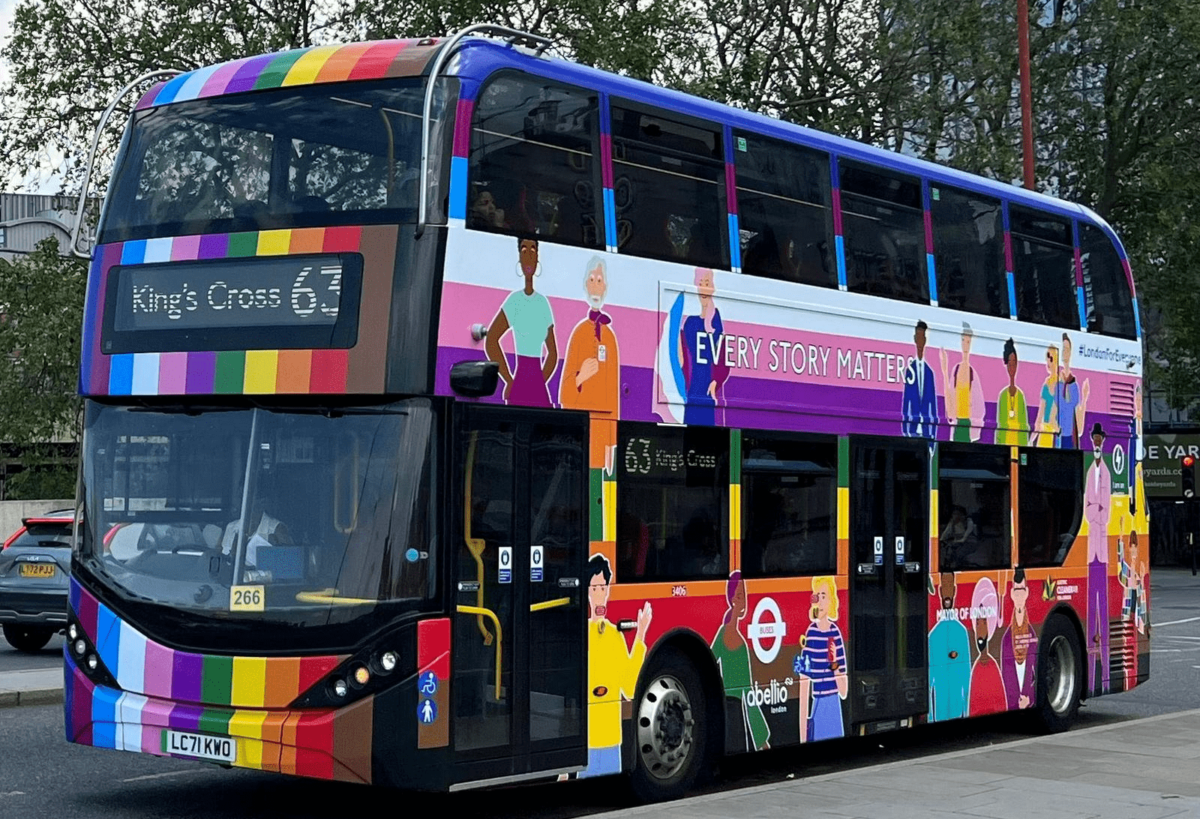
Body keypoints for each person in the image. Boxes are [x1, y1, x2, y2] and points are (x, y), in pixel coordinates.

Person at [580, 554, 651, 778]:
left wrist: (640, 635)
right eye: (593, 588)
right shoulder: (580, 636)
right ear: (586, 592)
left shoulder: (615, 635)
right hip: (587, 743)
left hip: (612, 743)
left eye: (603, 588)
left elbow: (629, 688)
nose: (599, 595)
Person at [485, 237, 559, 407]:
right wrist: (508, 379)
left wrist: (540, 381)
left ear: (538, 257)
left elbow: (553, 353)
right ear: (519, 257)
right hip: (521, 378)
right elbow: (491, 340)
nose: (529, 256)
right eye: (524, 251)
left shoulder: (542, 303)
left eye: (533, 251)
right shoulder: (515, 301)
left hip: (537, 382)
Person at [711, 572, 770, 751]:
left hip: (730, 707)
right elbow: (748, 691)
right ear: (732, 600)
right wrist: (761, 740)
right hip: (734, 709)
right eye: (739, 596)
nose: (743, 600)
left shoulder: (726, 633)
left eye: (744, 595)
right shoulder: (731, 636)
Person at [559, 257, 620, 414]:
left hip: (605, 419)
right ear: (586, 285)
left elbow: (614, 395)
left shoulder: (610, 337)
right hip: (581, 418)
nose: (595, 287)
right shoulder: (579, 333)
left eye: (599, 281)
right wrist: (580, 377)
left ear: (605, 287)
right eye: (591, 280)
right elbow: (564, 394)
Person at [797, 576, 847, 741]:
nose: (819, 601)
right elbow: (804, 683)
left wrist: (834, 664)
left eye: (824, 596)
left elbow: (844, 691)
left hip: (834, 707)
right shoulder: (811, 633)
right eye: (817, 596)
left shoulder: (835, 633)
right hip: (818, 705)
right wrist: (802, 737)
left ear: (832, 600)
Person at [679, 268, 729, 425]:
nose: (703, 288)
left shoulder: (716, 321)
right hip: (692, 390)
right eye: (700, 283)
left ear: (712, 287)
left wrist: (715, 382)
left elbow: (723, 359)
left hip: (707, 392)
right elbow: (682, 358)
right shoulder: (690, 323)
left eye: (707, 283)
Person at [1084, 422, 1112, 694]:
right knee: (1089, 612)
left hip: (1101, 550)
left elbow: (1106, 510)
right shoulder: (1089, 471)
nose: (1096, 441)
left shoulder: (1105, 471)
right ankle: (1091, 676)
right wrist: (1095, 509)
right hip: (1089, 548)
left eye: (1099, 438)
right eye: (1094, 438)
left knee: (1103, 610)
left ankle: (1105, 677)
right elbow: (1088, 506)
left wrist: (1096, 510)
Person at [928, 572, 971, 721]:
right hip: (939, 712)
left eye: (950, 587)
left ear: (954, 590)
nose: (947, 592)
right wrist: (931, 717)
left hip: (958, 711)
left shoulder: (962, 631)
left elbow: (966, 677)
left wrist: (966, 712)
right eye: (944, 587)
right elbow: (929, 682)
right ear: (939, 591)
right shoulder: (933, 635)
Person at [940, 321, 985, 442]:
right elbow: (949, 407)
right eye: (963, 341)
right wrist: (944, 371)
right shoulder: (955, 371)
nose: (965, 345)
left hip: (969, 426)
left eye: (968, 342)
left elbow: (980, 408)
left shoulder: (973, 374)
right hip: (957, 425)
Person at [1000, 567, 1037, 710]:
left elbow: (1034, 672)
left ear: (1027, 592)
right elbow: (1006, 676)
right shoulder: (1006, 638)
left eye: (1022, 591)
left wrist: (1029, 698)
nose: (1019, 596)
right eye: (1016, 591)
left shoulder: (1032, 634)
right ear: (1011, 594)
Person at [968, 578, 1006, 716]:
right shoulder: (976, 669)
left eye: (984, 623)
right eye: (977, 623)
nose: (980, 630)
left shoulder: (993, 667)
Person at [902, 320, 939, 439]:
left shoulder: (930, 373)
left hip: (926, 430)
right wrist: (905, 431)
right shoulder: (909, 370)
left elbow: (933, 407)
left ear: (925, 340)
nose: (920, 341)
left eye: (922, 338)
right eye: (918, 337)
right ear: (914, 339)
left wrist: (933, 435)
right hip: (912, 430)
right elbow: (906, 403)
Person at [1056, 334, 1090, 449]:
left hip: (1070, 437)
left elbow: (1078, 422)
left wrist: (1085, 398)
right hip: (1057, 436)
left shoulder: (1074, 384)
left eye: (1067, 349)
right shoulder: (1057, 382)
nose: (1064, 352)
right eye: (1063, 349)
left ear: (1070, 353)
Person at [996, 338, 1029, 446]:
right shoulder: (1003, 395)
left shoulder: (1020, 396)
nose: (1012, 368)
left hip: (1019, 444)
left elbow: (1024, 426)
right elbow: (1000, 426)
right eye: (1009, 364)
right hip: (1005, 444)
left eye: (1014, 364)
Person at [1033, 344, 1059, 448]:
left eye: (1051, 358)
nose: (1048, 362)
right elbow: (1040, 413)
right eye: (1047, 358)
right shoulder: (1046, 385)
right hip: (1046, 431)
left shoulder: (1062, 384)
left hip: (1057, 432)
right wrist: (1031, 439)